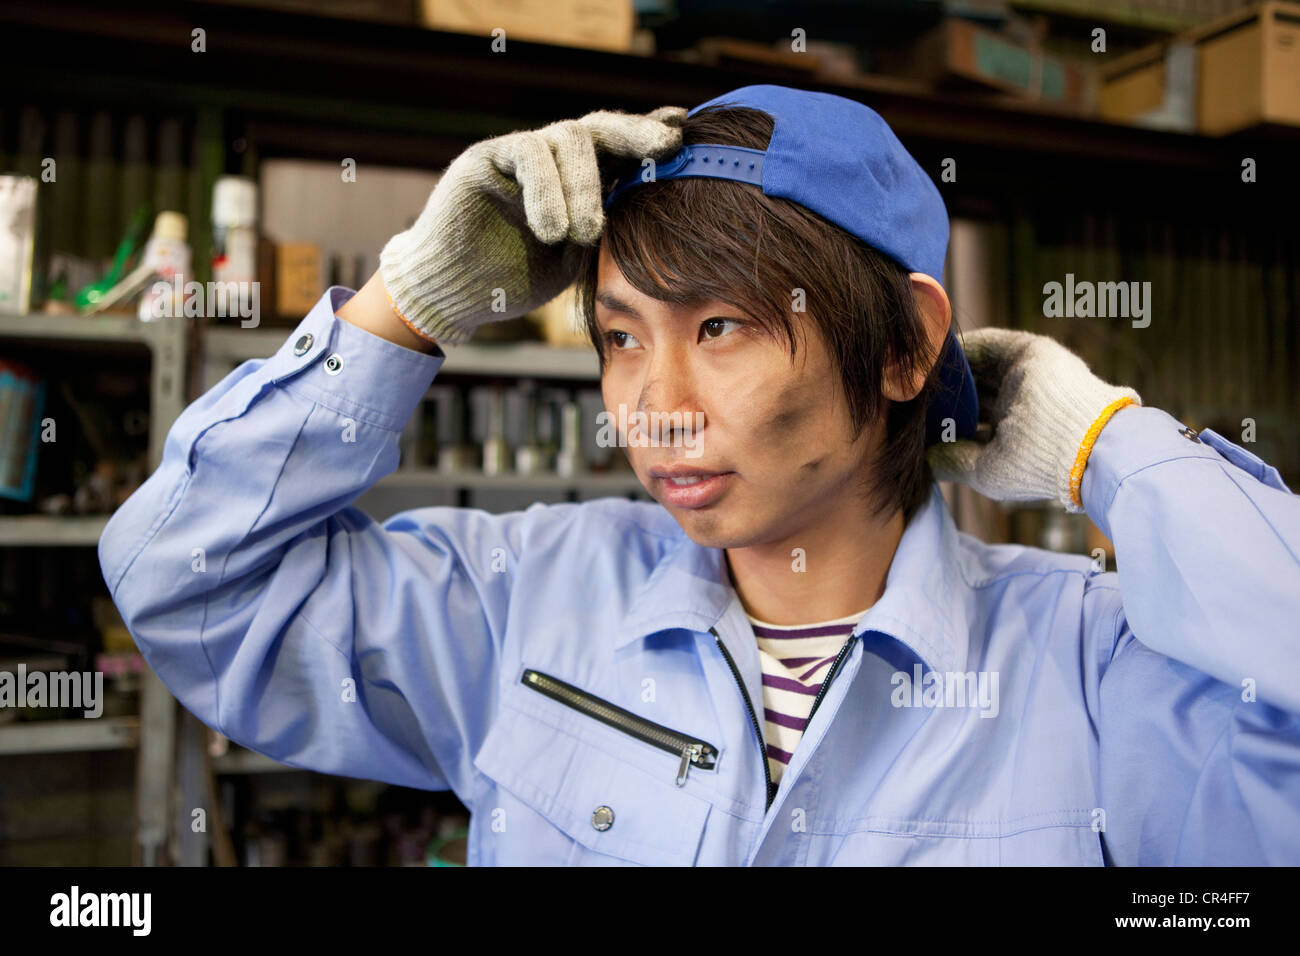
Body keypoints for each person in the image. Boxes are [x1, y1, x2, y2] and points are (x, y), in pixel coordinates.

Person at [99, 85, 1300, 866]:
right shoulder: (532, 598)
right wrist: (408, 305)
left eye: (719, 326)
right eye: (621, 335)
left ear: (900, 346)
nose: (650, 407)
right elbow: (185, 583)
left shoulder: (1092, 664)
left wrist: (1108, 447)